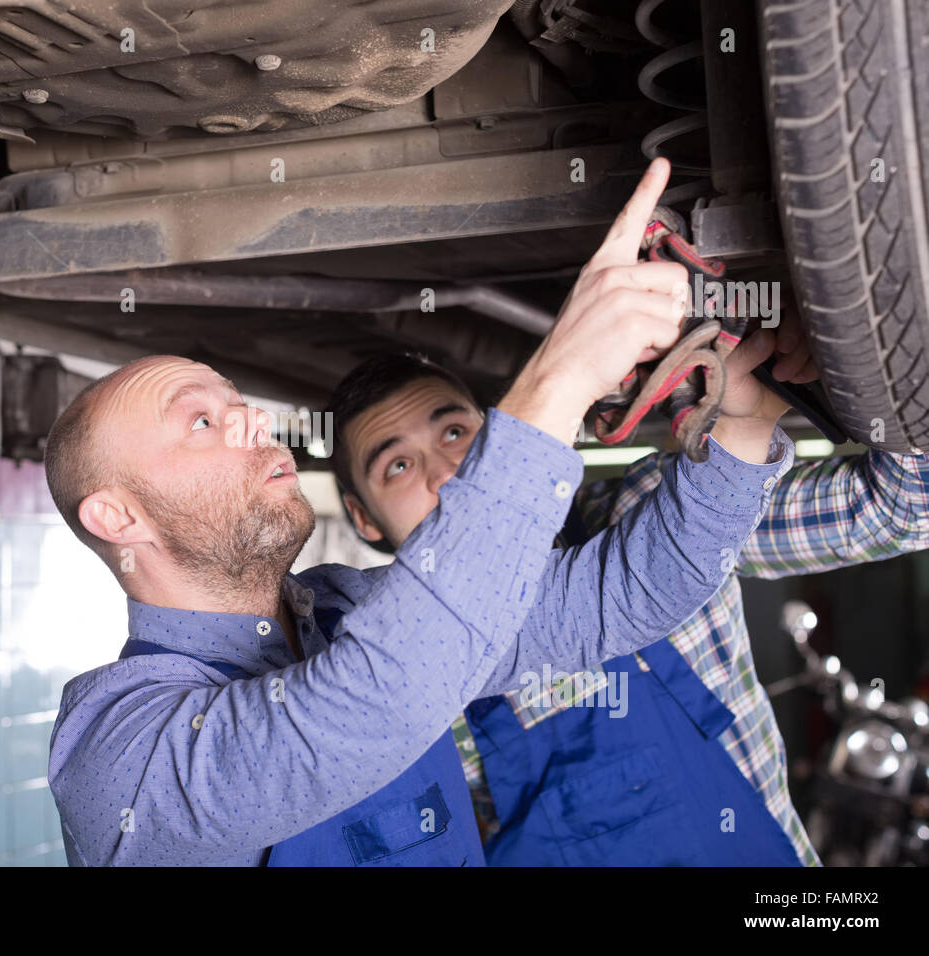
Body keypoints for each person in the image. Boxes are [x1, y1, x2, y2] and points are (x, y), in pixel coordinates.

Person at [44, 158, 797, 865]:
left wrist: (741, 427)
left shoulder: (350, 609)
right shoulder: (112, 751)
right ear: (118, 517)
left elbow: (619, 598)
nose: (254, 423)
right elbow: (371, 703)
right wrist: (559, 378)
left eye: (241, 404)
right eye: (202, 421)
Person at [327, 335, 929, 865]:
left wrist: (850, 344)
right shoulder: (387, 682)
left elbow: (903, 506)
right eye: (398, 465)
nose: (446, 475)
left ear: (504, 440)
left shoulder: (666, 515)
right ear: (363, 517)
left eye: (455, 433)